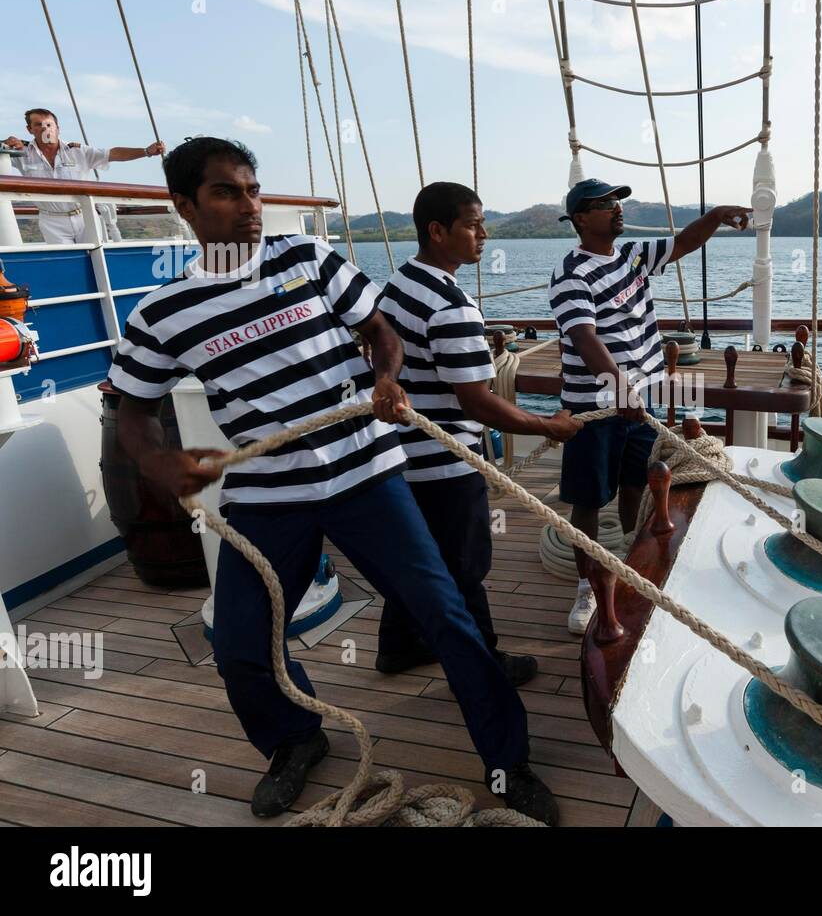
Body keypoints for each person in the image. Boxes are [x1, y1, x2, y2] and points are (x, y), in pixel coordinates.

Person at [106, 137, 557, 825]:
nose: (250, 206)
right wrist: (162, 463)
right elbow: (132, 413)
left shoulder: (308, 258)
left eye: (254, 189)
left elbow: (380, 332)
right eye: (227, 192)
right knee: (239, 643)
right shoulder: (162, 314)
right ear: (184, 206)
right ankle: (295, 740)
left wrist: (384, 374)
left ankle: (507, 762)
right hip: (266, 494)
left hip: (365, 473)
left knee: (449, 617)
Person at [374, 181, 582, 683]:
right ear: (438, 231)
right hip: (444, 462)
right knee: (465, 566)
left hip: (400, 458)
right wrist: (549, 425)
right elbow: (478, 401)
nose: (484, 235)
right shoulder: (451, 305)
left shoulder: (396, 286)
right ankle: (482, 662)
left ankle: (398, 648)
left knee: (421, 560)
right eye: (472, 224)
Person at [549, 178, 750, 633]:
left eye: (618, 202)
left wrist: (716, 215)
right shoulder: (571, 275)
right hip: (595, 408)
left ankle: (631, 563)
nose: (617, 210)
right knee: (588, 500)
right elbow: (584, 337)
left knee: (637, 486)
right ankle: (586, 589)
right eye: (604, 205)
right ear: (581, 218)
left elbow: (682, 243)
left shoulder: (632, 256)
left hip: (636, 402)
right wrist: (618, 388)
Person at [3, 108, 164, 244]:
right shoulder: (21, 153)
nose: (45, 129)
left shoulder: (79, 151)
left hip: (85, 217)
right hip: (52, 221)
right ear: (30, 129)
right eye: (39, 125)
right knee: (68, 265)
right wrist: (4, 144)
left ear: (57, 128)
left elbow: (113, 154)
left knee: (96, 260)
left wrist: (146, 151)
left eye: (49, 124)